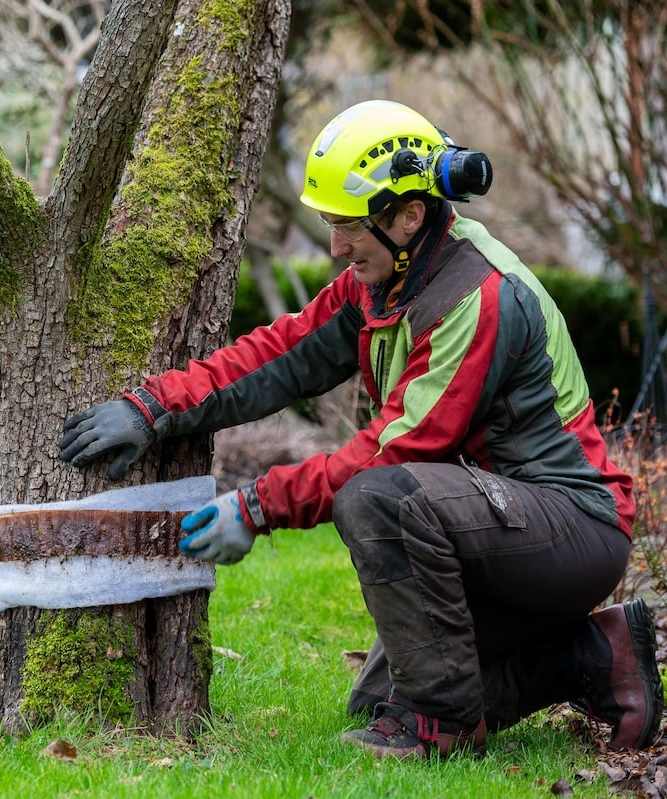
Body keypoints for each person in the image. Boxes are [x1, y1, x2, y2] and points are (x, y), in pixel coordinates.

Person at [58, 99, 663, 759]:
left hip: (572, 527)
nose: (336, 247)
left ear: (409, 215)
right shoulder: (384, 280)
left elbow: (391, 452)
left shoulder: (478, 298)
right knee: (378, 703)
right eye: (331, 226)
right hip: (498, 524)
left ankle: (445, 730)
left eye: (349, 228)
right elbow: (279, 359)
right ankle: (598, 657)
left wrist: (257, 506)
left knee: (378, 496)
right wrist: (153, 407)